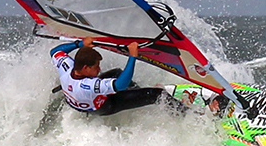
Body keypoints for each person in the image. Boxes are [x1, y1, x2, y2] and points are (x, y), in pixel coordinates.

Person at [50, 37, 182, 115]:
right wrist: (132, 56)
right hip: (105, 106)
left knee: (117, 72)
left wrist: (80, 44)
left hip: (78, 100)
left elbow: (55, 51)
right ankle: (184, 113)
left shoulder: (66, 67)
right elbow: (120, 85)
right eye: (96, 67)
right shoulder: (89, 85)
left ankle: (138, 91)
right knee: (157, 94)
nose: (99, 69)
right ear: (85, 68)